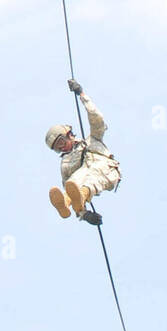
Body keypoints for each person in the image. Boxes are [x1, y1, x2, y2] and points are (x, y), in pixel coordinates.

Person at [46, 80, 121, 224]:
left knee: (93, 175)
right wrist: (85, 215)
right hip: (85, 173)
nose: (61, 148)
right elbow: (70, 185)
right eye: (57, 148)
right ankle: (65, 203)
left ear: (69, 134)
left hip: (105, 168)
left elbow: (96, 118)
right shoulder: (66, 164)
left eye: (61, 142)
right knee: (74, 180)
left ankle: (83, 194)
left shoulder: (92, 140)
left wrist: (81, 94)